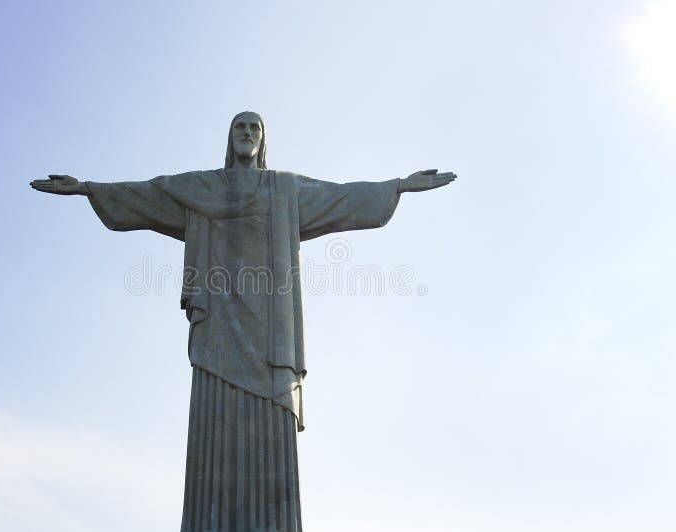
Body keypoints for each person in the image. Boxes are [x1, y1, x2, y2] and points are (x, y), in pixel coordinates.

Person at [30, 111, 456, 532]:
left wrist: (397, 187)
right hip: (217, 324)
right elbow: (149, 194)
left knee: (271, 425)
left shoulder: (284, 189)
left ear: (263, 140)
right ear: (229, 136)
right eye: (240, 127)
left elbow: (339, 196)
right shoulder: (203, 188)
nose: (247, 133)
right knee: (215, 425)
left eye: (255, 128)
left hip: (271, 334)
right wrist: (87, 189)